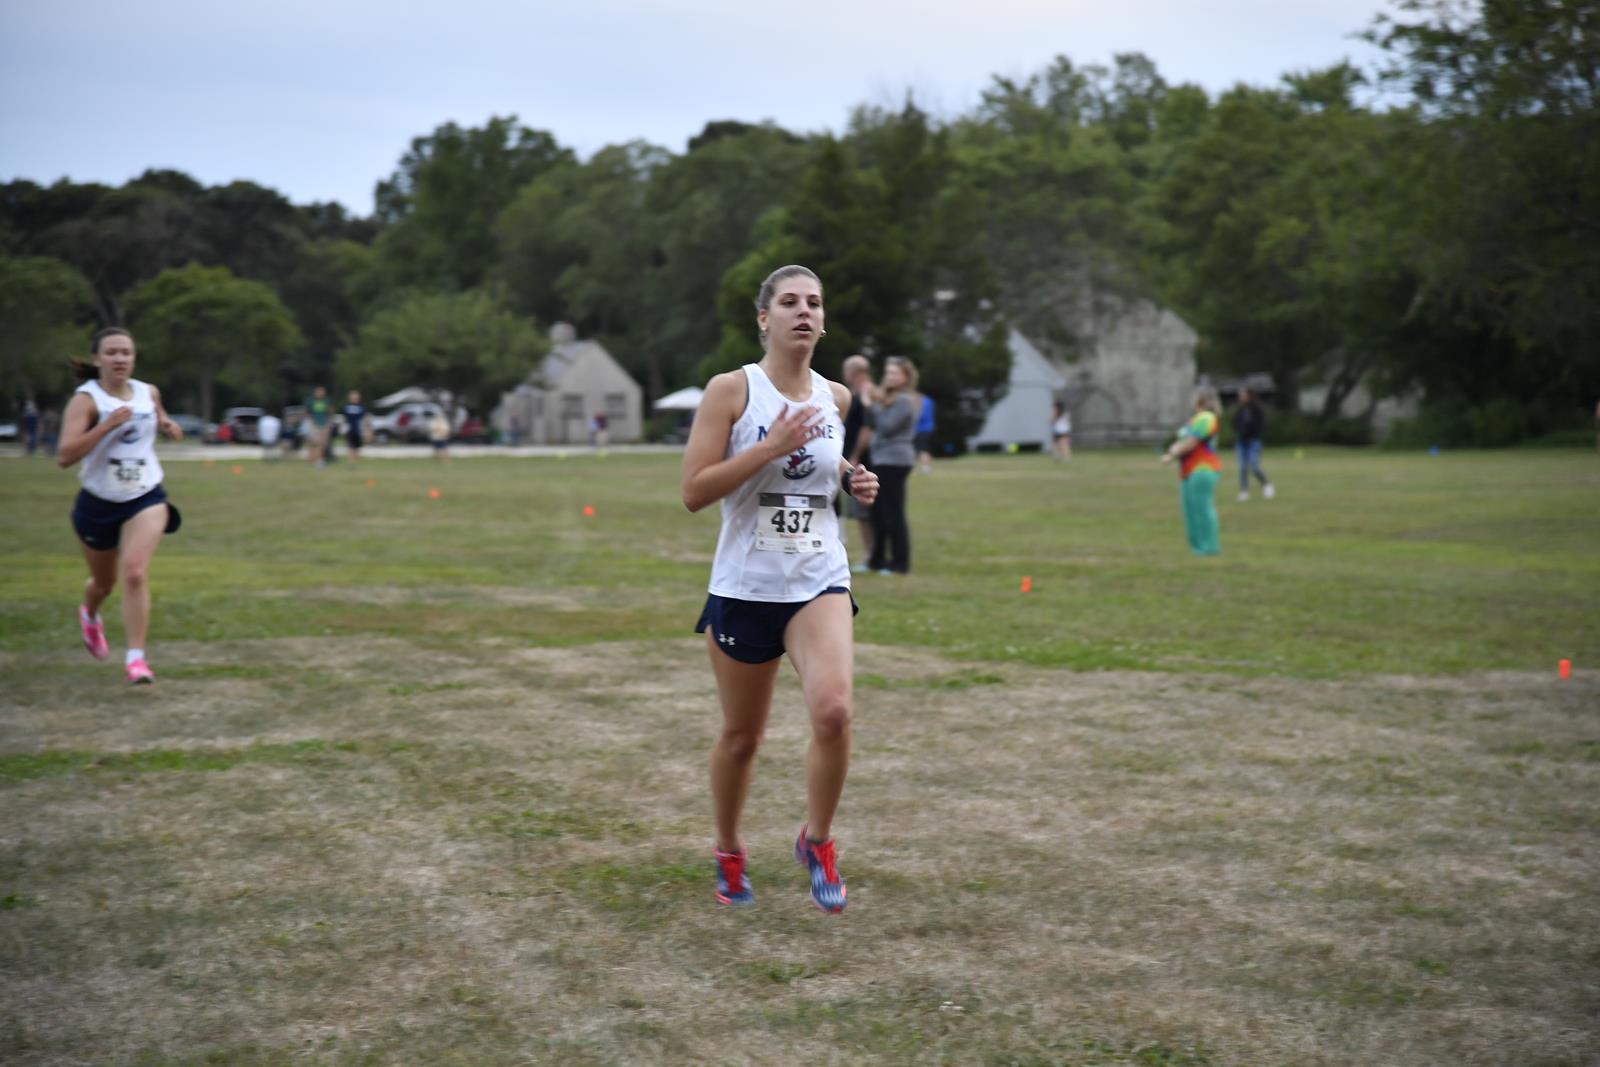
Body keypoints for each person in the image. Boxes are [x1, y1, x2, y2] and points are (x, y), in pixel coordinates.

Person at [681, 264, 880, 914]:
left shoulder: (837, 399)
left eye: (814, 303)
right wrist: (766, 448)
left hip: (817, 576)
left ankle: (817, 839)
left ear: (823, 322)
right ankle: (729, 847)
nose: (803, 311)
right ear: (764, 318)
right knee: (743, 737)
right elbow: (694, 490)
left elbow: (817, 467)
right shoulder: (732, 390)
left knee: (833, 711)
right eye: (789, 301)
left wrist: (852, 478)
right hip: (746, 585)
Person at [56, 327, 183, 684]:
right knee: (103, 582)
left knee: (135, 571)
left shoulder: (147, 391)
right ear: (98, 358)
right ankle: (91, 615)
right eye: (111, 352)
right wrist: (106, 426)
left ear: (134, 358)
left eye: (126, 352)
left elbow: (160, 419)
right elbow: (65, 456)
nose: (119, 359)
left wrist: (169, 426)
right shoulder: (86, 399)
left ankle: (136, 659)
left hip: (145, 495)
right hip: (98, 502)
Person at [866, 356, 918, 575]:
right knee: (878, 512)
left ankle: (900, 563)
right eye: (888, 372)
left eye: (895, 373)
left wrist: (871, 405)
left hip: (895, 461)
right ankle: (876, 561)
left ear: (906, 377)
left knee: (893, 512)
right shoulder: (887, 399)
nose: (890, 377)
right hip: (882, 459)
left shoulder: (905, 400)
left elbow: (886, 426)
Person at [1162, 386, 1223, 556]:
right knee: (1191, 511)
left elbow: (1192, 442)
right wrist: (1174, 447)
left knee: (1202, 510)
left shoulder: (1206, 417)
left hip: (1202, 469)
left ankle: (1209, 547)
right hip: (1188, 470)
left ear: (1201, 399)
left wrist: (1172, 454)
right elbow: (1184, 439)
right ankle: (1197, 548)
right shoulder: (1195, 419)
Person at [840, 354, 876, 571]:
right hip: (853, 458)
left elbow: (866, 429)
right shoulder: (855, 394)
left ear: (853, 373)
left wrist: (854, 455)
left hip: (861, 461)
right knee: (859, 514)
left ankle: (870, 555)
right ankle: (870, 554)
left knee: (864, 513)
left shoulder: (865, 395)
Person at [1232, 387, 1274, 501]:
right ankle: (1244, 491)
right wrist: (1240, 433)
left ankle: (1266, 485)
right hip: (1241, 442)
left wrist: (1251, 433)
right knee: (1242, 467)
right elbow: (1235, 423)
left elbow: (1262, 426)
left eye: (1243, 395)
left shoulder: (1257, 410)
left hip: (1253, 442)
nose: (1240, 398)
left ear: (1249, 396)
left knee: (1254, 466)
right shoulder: (1240, 410)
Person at [304, 386, 332, 466]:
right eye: (319, 392)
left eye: (322, 392)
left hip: (324, 424)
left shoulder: (326, 401)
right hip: (315, 424)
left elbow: (330, 411)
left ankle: (320, 459)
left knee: (323, 444)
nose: (321, 393)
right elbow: (306, 412)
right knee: (316, 443)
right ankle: (315, 459)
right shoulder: (310, 401)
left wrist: (329, 421)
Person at [341, 390, 368, 465]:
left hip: (358, 430)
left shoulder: (362, 408)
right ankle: (350, 463)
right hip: (349, 430)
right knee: (350, 446)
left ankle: (354, 462)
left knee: (356, 447)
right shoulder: (346, 407)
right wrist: (342, 428)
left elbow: (365, 419)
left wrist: (366, 430)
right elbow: (344, 419)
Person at [914, 392, 935, 474]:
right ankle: (925, 467)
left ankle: (925, 468)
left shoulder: (923, 402)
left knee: (922, 450)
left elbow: (921, 416)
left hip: (922, 430)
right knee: (925, 449)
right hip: (928, 429)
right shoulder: (929, 401)